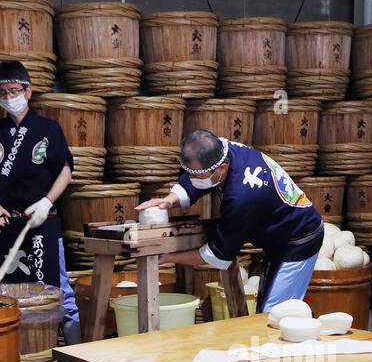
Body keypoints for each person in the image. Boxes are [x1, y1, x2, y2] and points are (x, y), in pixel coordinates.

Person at [136, 130, 323, 312]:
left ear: (222, 168)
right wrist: (169, 200)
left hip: (298, 238)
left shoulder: (241, 197)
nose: (192, 179)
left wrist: (169, 258)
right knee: (270, 311)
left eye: (197, 176)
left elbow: (219, 255)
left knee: (274, 314)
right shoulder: (223, 147)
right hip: (278, 235)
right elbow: (195, 175)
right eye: (189, 173)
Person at [0, 60, 73, 287]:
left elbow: (65, 171)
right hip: (7, 222)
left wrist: (47, 202)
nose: (8, 98)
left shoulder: (48, 128)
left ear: (28, 91)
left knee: (53, 287)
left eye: (14, 91)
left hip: (42, 220)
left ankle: (65, 323)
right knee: (6, 291)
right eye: (2, 93)